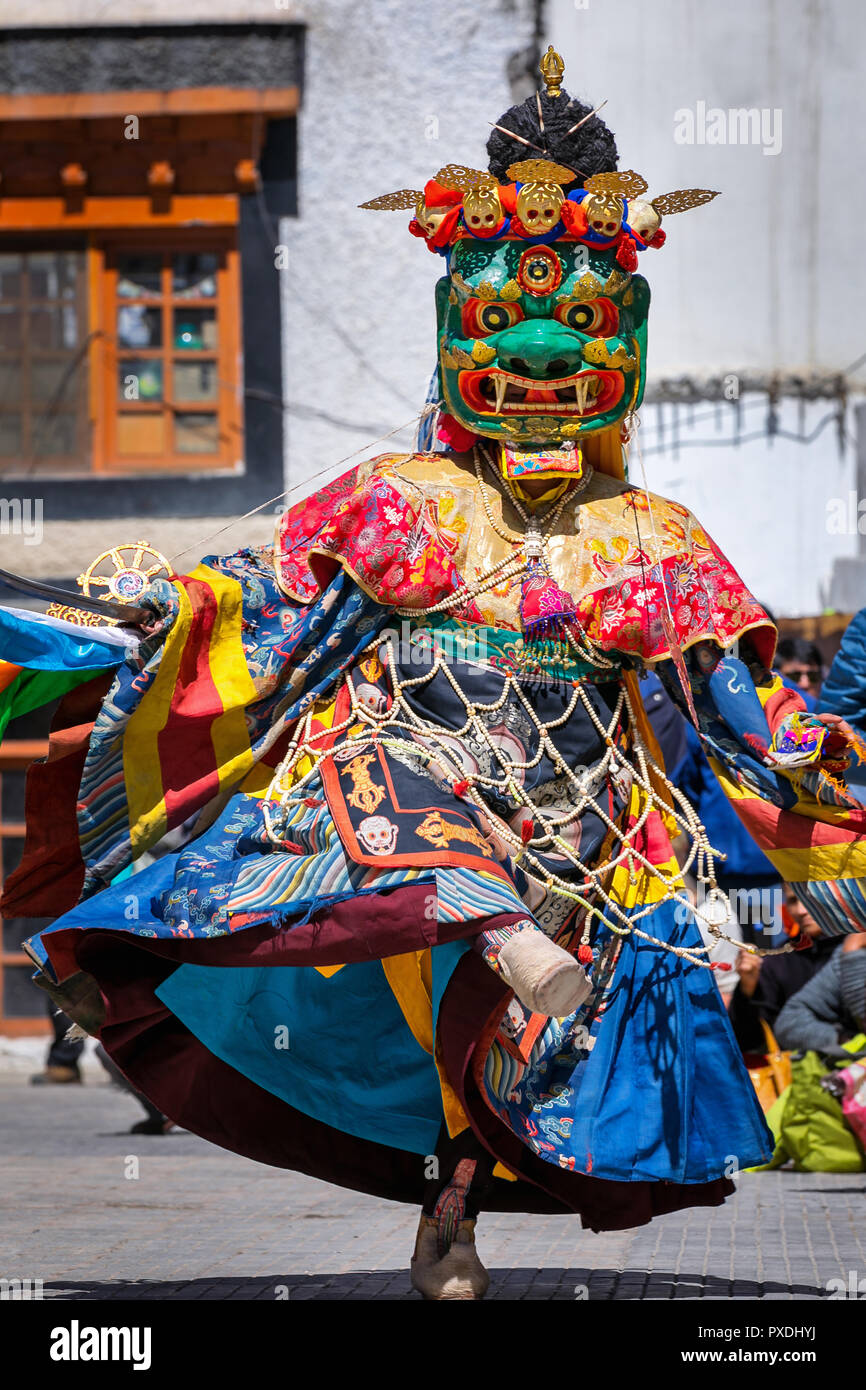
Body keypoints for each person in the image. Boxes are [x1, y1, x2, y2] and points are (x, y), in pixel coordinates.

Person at [4, 49, 866, 1301]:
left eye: (574, 326)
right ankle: (267, 959)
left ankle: (452, 1203)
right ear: (452, 322)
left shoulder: (653, 539)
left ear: (622, 340)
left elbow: (735, 714)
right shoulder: (401, 507)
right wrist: (156, 607)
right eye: (501, 326)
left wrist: (820, 772)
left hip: (579, 828)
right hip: (412, 786)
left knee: (499, 1049)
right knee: (412, 810)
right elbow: (272, 611)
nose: (533, 358)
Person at [727, 883, 843, 1055]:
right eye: (793, 900)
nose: (801, 910)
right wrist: (747, 989)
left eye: (809, 898)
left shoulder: (856, 947)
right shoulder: (779, 961)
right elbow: (748, 1042)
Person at [775, 931, 866, 1059]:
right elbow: (788, 1023)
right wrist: (845, 1040)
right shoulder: (847, 957)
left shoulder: (852, 951)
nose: (802, 912)